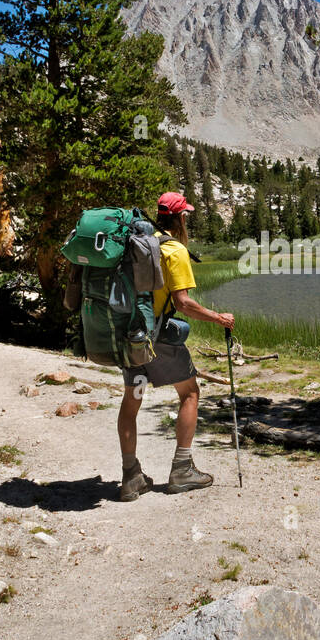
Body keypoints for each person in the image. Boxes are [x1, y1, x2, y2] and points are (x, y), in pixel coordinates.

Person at [118, 191, 234, 500]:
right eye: (186, 217)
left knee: (133, 401)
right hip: (158, 341)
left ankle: (131, 477)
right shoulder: (173, 250)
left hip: (131, 338)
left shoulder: (136, 242)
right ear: (181, 218)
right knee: (190, 393)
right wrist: (218, 318)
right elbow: (183, 304)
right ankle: (182, 469)